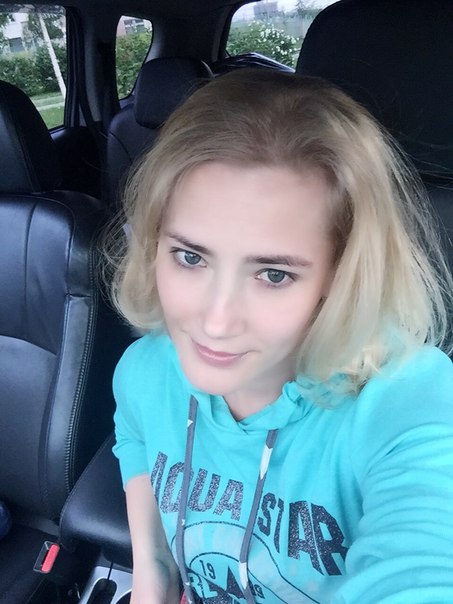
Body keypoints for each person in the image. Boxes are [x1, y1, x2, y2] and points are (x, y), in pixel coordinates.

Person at [109, 69, 453, 603]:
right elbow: (153, 558)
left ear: (339, 275)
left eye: (273, 274)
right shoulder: (144, 373)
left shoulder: (407, 398)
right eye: (191, 257)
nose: (215, 322)